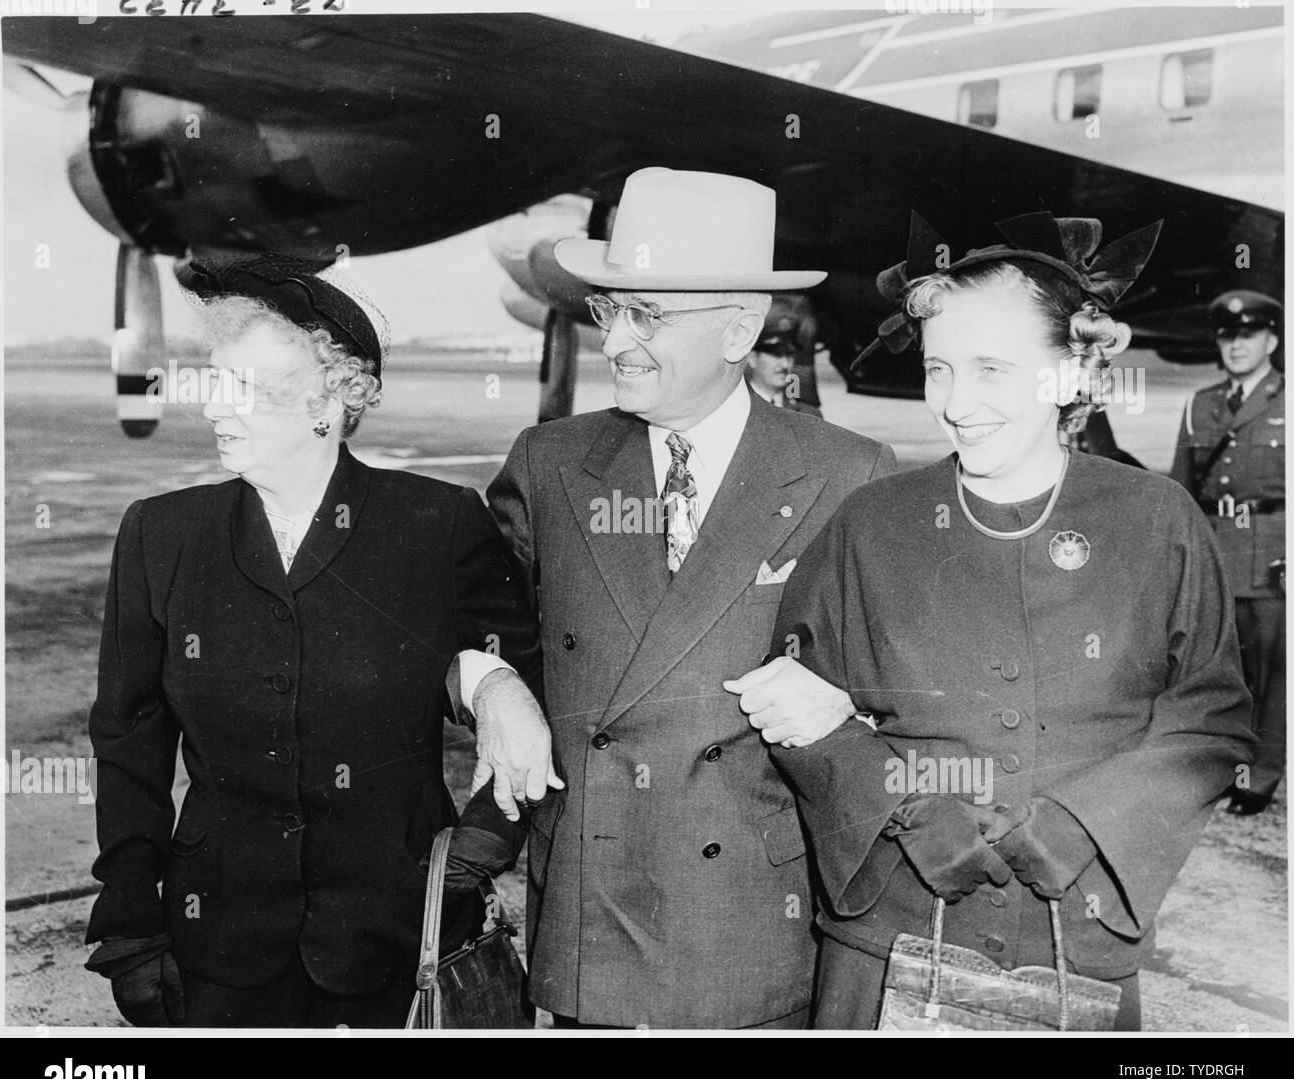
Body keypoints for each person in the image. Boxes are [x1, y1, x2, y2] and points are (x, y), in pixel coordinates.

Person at [755, 212, 1254, 1030]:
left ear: (1072, 373)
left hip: (1081, 939)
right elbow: (794, 708)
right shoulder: (871, 524)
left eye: (993, 368)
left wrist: (1083, 825)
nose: (957, 402)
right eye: (940, 368)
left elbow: (1212, 722)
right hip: (889, 939)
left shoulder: (1156, 520)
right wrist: (906, 807)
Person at [84, 256, 552, 1028]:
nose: (214, 411)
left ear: (332, 401)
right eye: (214, 383)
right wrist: (131, 925)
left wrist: (482, 847)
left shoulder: (436, 526)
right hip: (221, 950)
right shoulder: (161, 534)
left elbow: (531, 695)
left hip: (403, 943)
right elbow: (127, 742)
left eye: (249, 391)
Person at [485, 167, 896, 1028]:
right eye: (609, 309)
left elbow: (904, 691)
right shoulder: (551, 463)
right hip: (591, 918)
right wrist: (487, 684)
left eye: (651, 315)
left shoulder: (845, 474)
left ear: (741, 328)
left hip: (751, 925)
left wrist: (846, 705)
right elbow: (477, 618)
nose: (618, 341)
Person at [1169, 290, 1284, 815]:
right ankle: (1222, 765)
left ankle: (1259, 778)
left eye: (1249, 335)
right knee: (1218, 674)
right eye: (1229, 336)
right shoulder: (1201, 404)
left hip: (1271, 557)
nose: (1238, 345)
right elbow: (1183, 488)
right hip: (1217, 554)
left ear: (1272, 341)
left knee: (1273, 676)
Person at [746, 311, 823, 417]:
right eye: (776, 355)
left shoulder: (808, 415)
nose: (785, 365)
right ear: (752, 358)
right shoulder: (735, 409)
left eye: (789, 355)